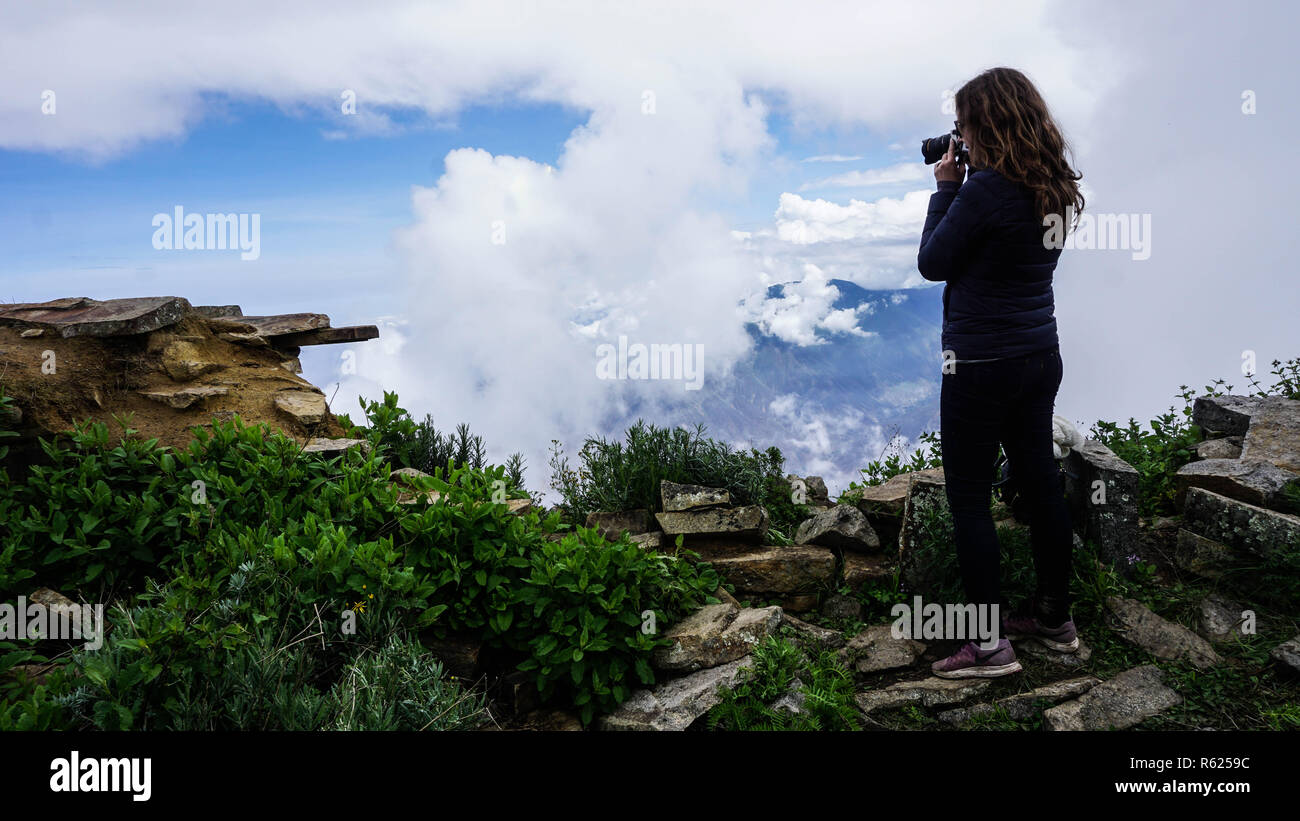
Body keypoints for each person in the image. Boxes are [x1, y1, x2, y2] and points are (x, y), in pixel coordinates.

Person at [916, 67, 1085, 679]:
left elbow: (933, 262)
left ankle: (988, 647)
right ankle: (1053, 618)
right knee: (1040, 484)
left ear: (983, 125)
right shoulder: (1058, 188)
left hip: (980, 363)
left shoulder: (984, 190)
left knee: (969, 496)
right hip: (1041, 356)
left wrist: (945, 189)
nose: (956, 137)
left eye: (961, 126)